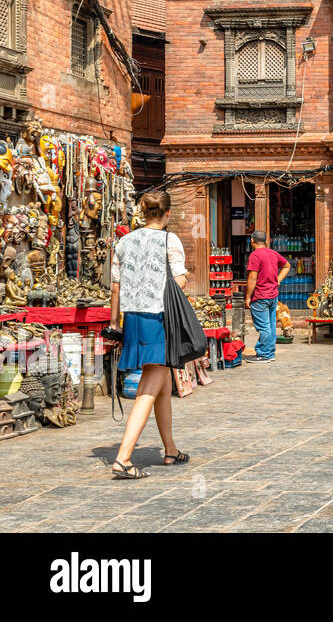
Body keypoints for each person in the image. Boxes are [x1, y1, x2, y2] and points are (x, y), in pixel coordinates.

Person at [107, 190, 189, 479]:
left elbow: (115, 286)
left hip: (132, 317)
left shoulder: (124, 242)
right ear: (168, 214)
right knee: (148, 388)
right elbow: (178, 279)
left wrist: (114, 324)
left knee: (164, 384)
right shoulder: (170, 240)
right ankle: (123, 458)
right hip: (159, 317)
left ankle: (170, 449)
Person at [244, 230, 289, 363]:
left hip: (260, 296)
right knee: (271, 325)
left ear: (252, 241)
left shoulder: (255, 255)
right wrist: (277, 280)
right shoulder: (273, 253)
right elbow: (287, 265)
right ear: (266, 241)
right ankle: (270, 352)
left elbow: (252, 278)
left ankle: (264, 354)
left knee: (264, 327)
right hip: (273, 295)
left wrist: (248, 297)